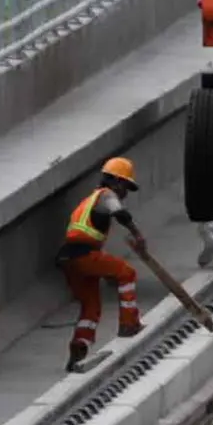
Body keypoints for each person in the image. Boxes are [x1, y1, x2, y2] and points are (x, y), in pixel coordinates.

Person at [59, 157, 145, 372]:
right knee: (127, 273)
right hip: (85, 254)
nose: (125, 193)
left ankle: (80, 346)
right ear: (116, 182)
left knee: (91, 307)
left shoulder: (88, 201)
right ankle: (129, 324)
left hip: (69, 259)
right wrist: (137, 234)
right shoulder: (107, 195)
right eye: (125, 186)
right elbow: (120, 213)